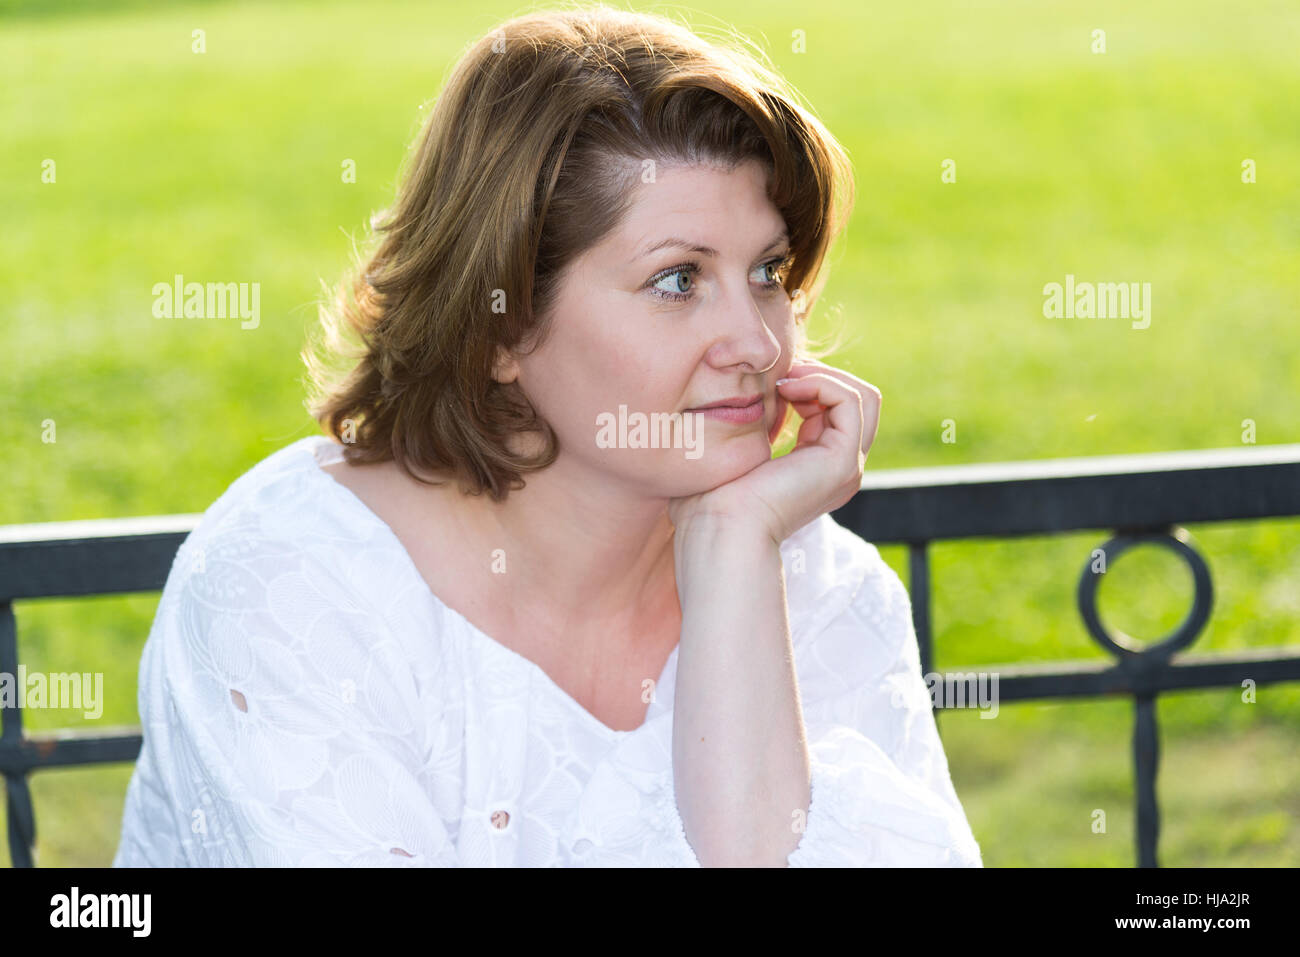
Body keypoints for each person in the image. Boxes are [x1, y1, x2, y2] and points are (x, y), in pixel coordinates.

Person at [113, 4, 982, 867]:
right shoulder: (294, 594)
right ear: (500, 327)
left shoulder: (810, 582)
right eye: (678, 279)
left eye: (766, 272)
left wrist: (726, 548)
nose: (759, 342)